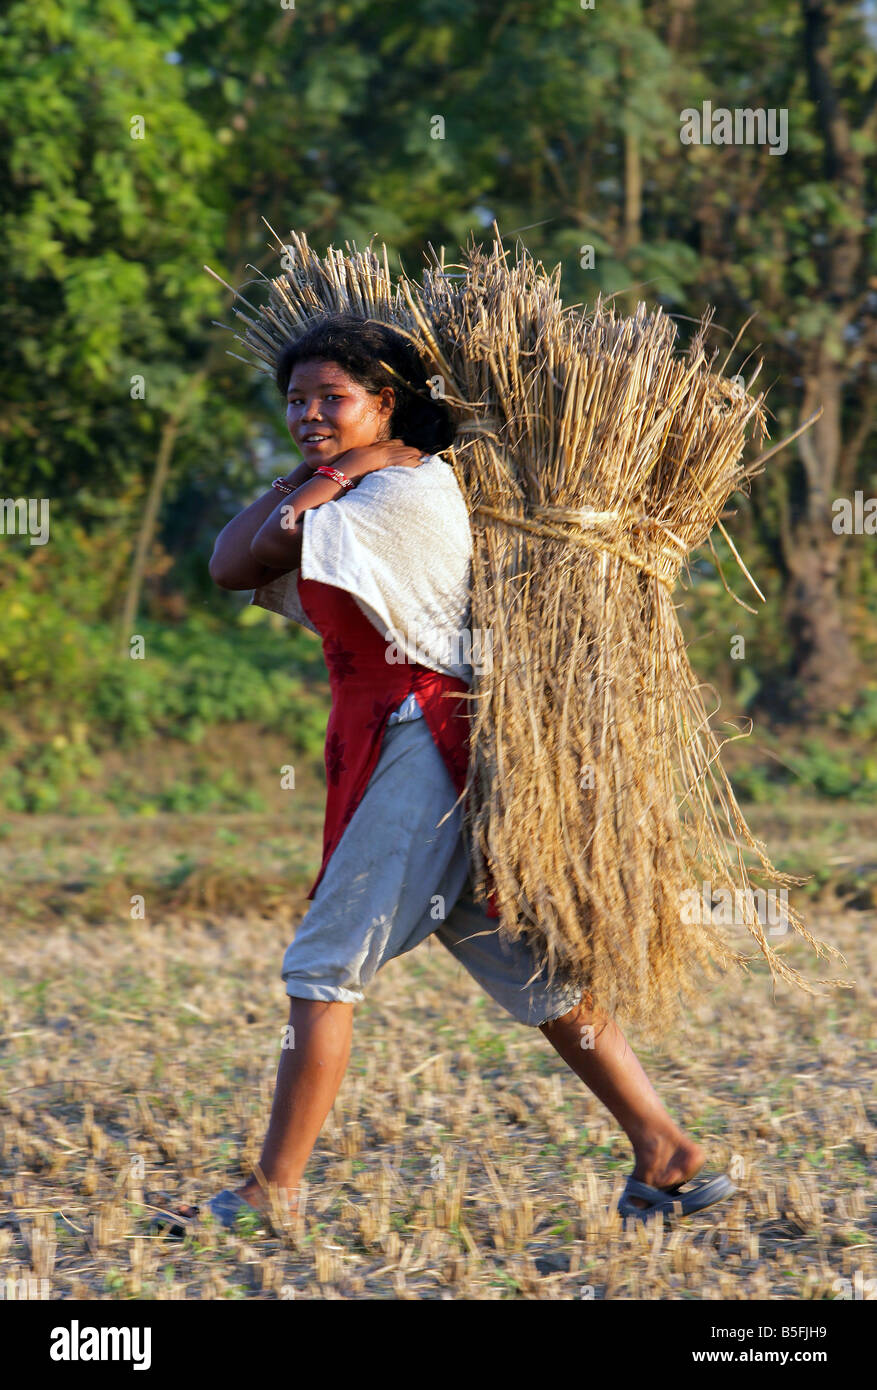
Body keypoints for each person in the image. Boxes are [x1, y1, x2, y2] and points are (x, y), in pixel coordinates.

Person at [152, 313, 733, 1236]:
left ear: (386, 402)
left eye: (331, 399)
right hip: (394, 736)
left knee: (321, 964)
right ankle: (667, 1152)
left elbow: (267, 547)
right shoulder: (350, 483)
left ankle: (272, 1191)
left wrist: (344, 472)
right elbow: (230, 561)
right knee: (519, 962)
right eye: (295, 401)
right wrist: (327, 465)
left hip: (425, 736)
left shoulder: (409, 492)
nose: (307, 414)